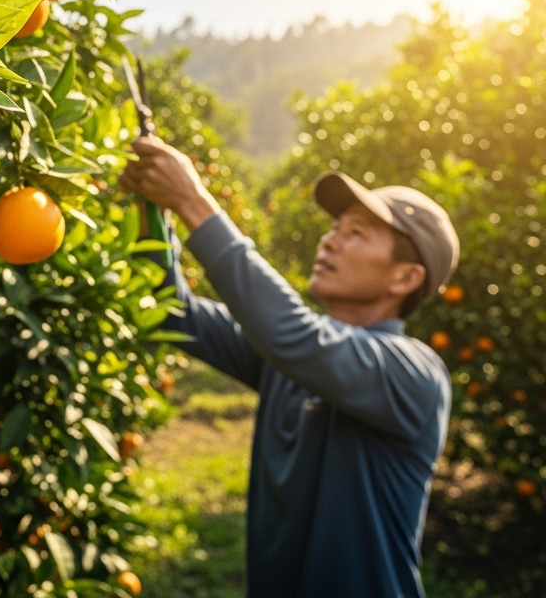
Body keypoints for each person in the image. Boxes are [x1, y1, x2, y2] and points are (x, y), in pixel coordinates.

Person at [119, 136, 460, 598]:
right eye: (335, 227)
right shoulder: (289, 357)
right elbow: (172, 312)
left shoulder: (414, 374)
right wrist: (153, 211)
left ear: (405, 277)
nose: (330, 240)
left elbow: (292, 333)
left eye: (356, 233)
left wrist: (192, 202)